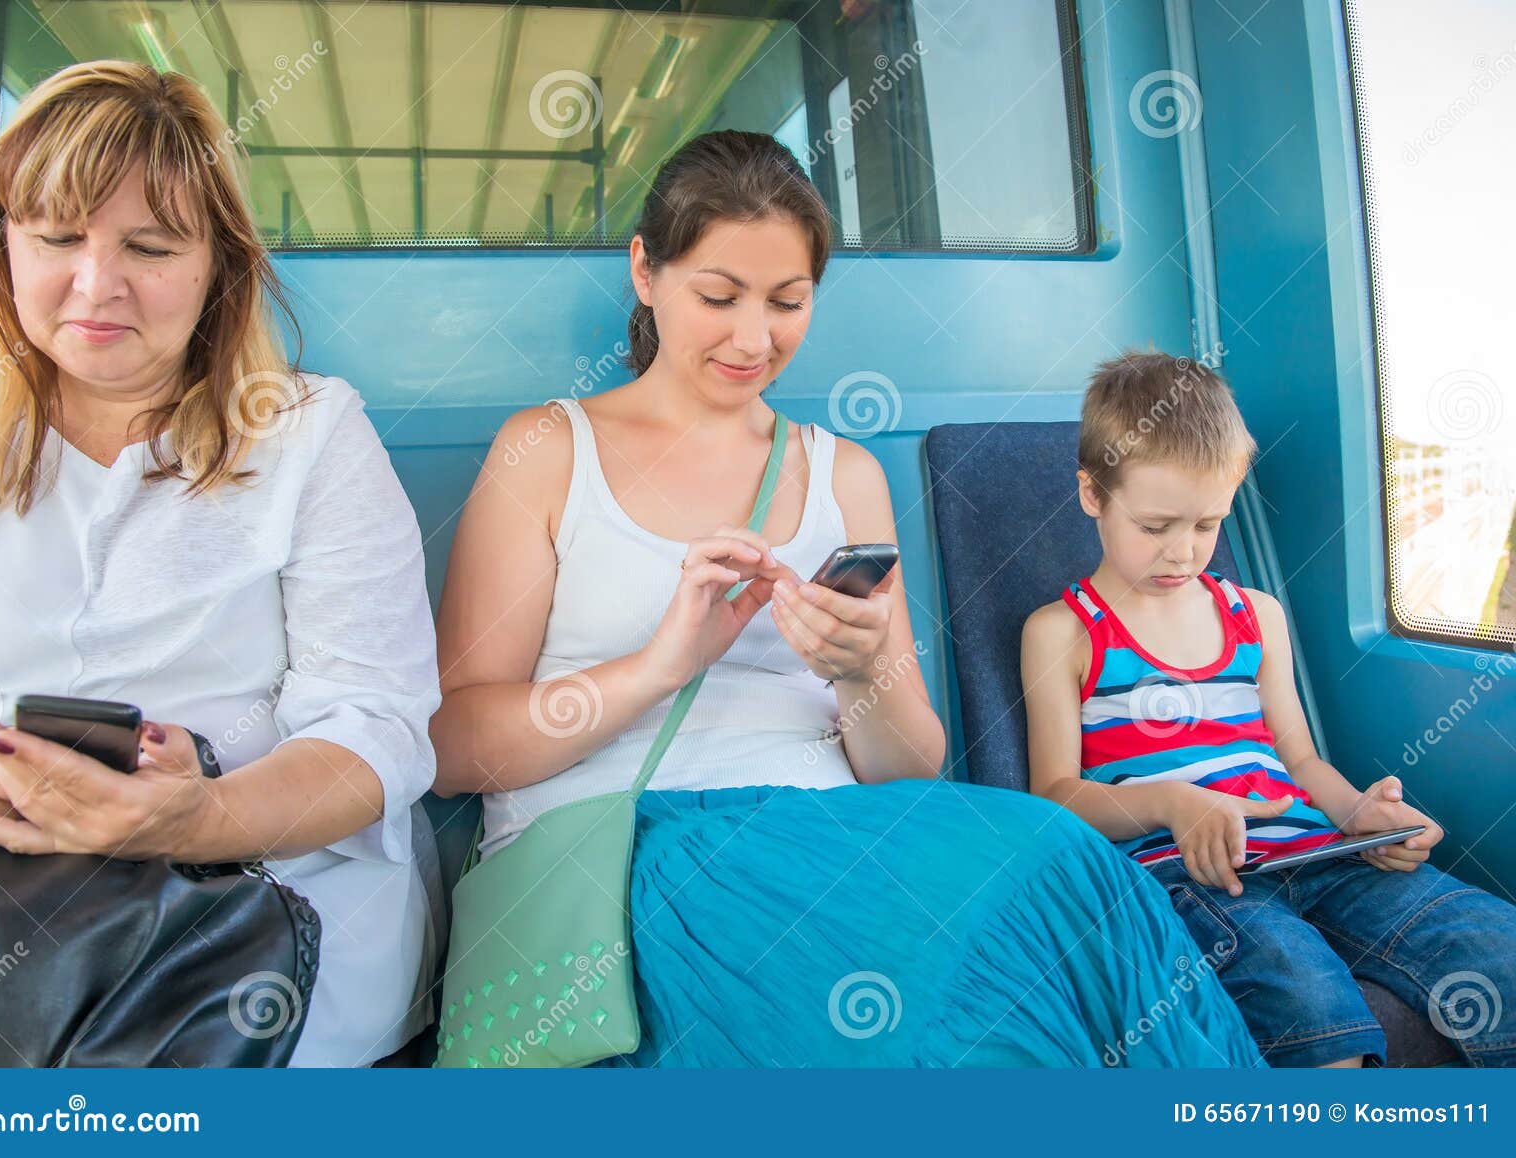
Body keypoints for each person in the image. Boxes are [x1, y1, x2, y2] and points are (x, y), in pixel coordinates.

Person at [432, 130, 1265, 1067]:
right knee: (938, 1025)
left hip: (840, 830)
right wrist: (661, 666)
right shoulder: (545, 452)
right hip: (633, 844)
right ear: (645, 271)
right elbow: (455, 749)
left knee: (1058, 861)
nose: (755, 338)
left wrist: (860, 670)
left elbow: (910, 765)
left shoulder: (845, 476)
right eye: (719, 297)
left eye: (788, 302)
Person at [0, 61, 440, 1066]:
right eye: (57, 239)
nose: (95, 284)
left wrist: (198, 816)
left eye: (150, 247)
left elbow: (379, 728)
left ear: (218, 267)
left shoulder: (307, 433)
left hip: (255, 925)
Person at [1021, 350, 1516, 1067]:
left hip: (1324, 851)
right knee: (1314, 1018)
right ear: (1093, 494)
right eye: (1156, 526)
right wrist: (1172, 803)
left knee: (1492, 944)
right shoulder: (1061, 632)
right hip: (1197, 879)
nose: (1183, 552)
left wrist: (1359, 817)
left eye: (1206, 524)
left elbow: (1299, 757)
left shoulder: (1257, 616)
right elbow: (1057, 797)